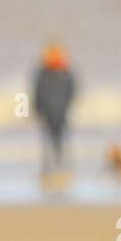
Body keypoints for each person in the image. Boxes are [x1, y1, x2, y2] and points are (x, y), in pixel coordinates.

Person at [32, 42, 77, 186]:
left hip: (62, 113)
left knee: (62, 142)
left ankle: (64, 170)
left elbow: (73, 91)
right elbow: (36, 93)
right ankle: (47, 171)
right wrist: (36, 109)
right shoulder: (42, 73)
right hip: (47, 114)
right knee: (47, 143)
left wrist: (67, 106)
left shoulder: (66, 73)